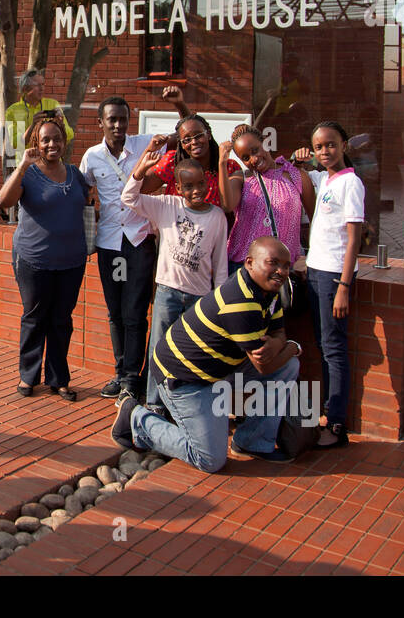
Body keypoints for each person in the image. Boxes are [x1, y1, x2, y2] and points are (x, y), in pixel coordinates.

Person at [111, 237, 302, 472]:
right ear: (250, 263)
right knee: (209, 459)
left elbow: (278, 332)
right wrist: (292, 346)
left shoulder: (267, 290)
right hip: (184, 378)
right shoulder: (240, 301)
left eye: (286, 265)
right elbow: (264, 365)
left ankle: (251, 442)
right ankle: (137, 419)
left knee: (288, 366)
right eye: (273, 263)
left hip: (219, 370)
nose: (281, 271)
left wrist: (279, 342)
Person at [78, 90, 190, 402]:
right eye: (111, 120)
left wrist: (179, 104)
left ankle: (132, 377)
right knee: (116, 312)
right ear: (101, 123)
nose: (118, 125)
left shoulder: (144, 143)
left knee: (135, 311)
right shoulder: (92, 157)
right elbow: (84, 193)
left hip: (140, 241)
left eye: (123, 119)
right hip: (110, 245)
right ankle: (120, 373)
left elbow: (187, 134)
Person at [119, 144, 228, 410]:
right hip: (168, 291)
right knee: (159, 348)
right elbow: (129, 199)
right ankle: (155, 403)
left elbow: (220, 262)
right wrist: (140, 171)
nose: (196, 191)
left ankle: (185, 403)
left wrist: (219, 300)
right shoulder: (167, 206)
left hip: (200, 298)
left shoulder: (217, 217)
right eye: (188, 186)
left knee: (193, 352)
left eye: (200, 184)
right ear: (178, 188)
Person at [0, 110, 92, 401]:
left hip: (71, 262)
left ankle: (58, 379)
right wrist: (23, 165)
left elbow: (87, 208)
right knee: (35, 317)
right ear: (36, 143)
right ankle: (28, 376)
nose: (52, 145)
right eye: (45, 140)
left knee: (62, 320)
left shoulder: (76, 175)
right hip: (33, 261)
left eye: (57, 139)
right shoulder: (30, 173)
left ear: (64, 142)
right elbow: (2, 202)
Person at [293, 121, 365, 449]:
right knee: (323, 345)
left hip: (334, 276)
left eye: (331, 145)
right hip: (317, 273)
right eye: (319, 147)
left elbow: (354, 239)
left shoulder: (351, 183)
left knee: (334, 349)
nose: (325, 152)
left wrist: (344, 286)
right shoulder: (326, 179)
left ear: (345, 145)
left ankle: (336, 425)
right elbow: (302, 168)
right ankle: (326, 414)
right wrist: (302, 160)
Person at [218, 123, 314, 273]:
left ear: (265, 142)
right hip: (245, 266)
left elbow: (315, 218)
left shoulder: (295, 175)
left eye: (255, 150)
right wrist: (222, 163)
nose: (254, 159)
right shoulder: (242, 178)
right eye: (245, 157)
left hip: (281, 268)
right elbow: (227, 205)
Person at [140, 112, 240, 206]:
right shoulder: (173, 162)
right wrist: (148, 151)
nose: (194, 142)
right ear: (182, 144)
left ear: (208, 134)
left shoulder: (230, 167)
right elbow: (135, 188)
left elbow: (228, 206)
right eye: (187, 140)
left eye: (199, 135)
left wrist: (222, 162)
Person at [2, 70, 74, 172]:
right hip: (26, 168)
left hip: (52, 166)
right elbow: (16, 144)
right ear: (25, 89)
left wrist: (61, 124)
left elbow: (69, 136)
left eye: (43, 84)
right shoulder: (12, 111)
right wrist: (33, 125)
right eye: (37, 85)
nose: (42, 88)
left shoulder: (52, 104)